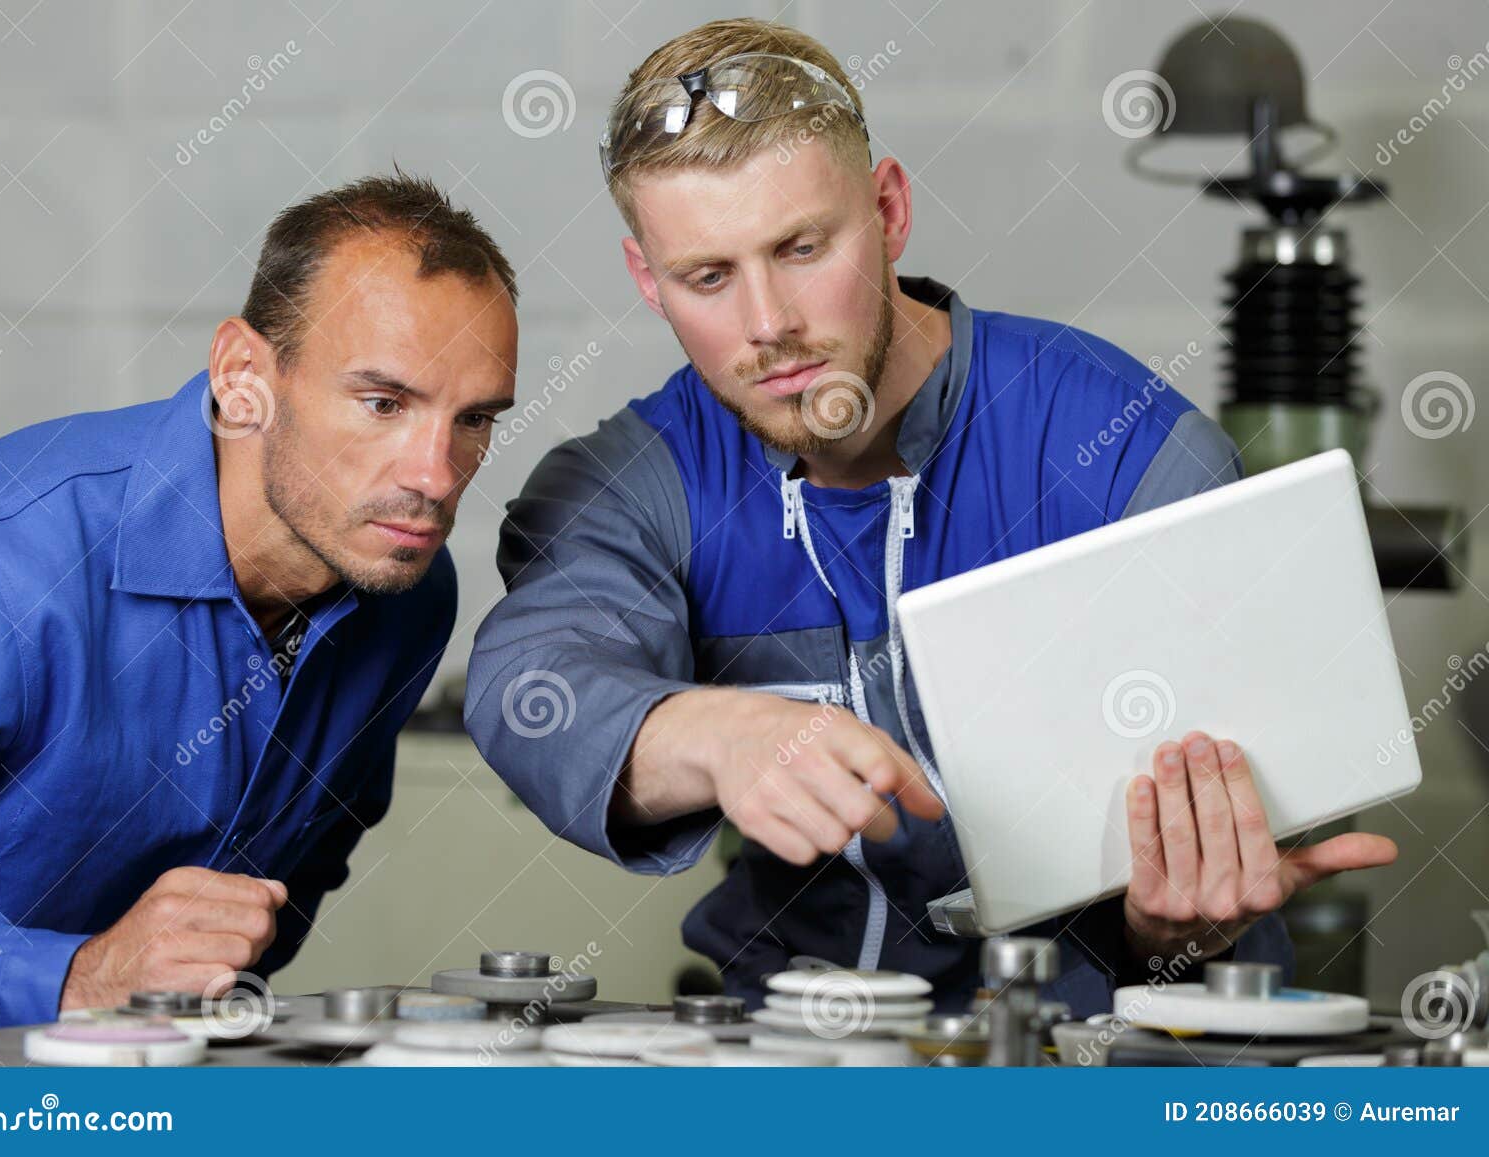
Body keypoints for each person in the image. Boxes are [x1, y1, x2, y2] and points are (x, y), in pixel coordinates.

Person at [465, 19, 1396, 1013]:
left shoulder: (1121, 448)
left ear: (889, 208)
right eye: (708, 276)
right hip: (793, 1049)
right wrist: (717, 734)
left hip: (1093, 1050)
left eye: (802, 246)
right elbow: (532, 678)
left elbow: (1267, 785)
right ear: (649, 281)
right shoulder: (643, 477)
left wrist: (1169, 930)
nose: (769, 322)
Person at [0, 171, 518, 1034]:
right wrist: (79, 974)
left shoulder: (406, 592)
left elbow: (274, 903)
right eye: (383, 403)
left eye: (475, 419)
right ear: (243, 374)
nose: (436, 477)